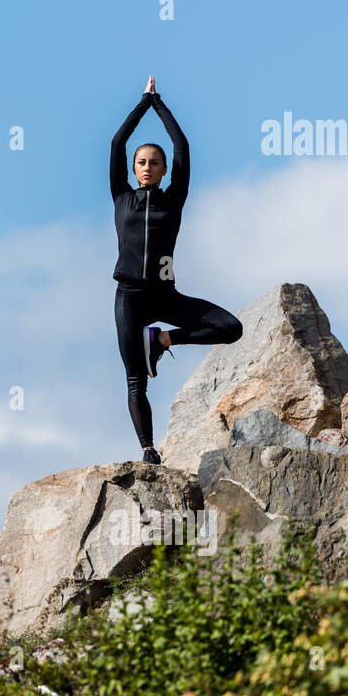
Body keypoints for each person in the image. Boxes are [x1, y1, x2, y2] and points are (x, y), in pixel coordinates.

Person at [110, 76, 243, 465]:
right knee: (136, 381)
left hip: (166, 295)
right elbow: (116, 143)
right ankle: (149, 450)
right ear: (134, 169)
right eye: (142, 163)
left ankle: (164, 340)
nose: (147, 167)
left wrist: (160, 104)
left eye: (154, 163)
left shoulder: (175, 199)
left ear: (165, 170)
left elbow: (182, 145)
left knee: (230, 328)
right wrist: (142, 103)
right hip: (130, 297)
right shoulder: (122, 196)